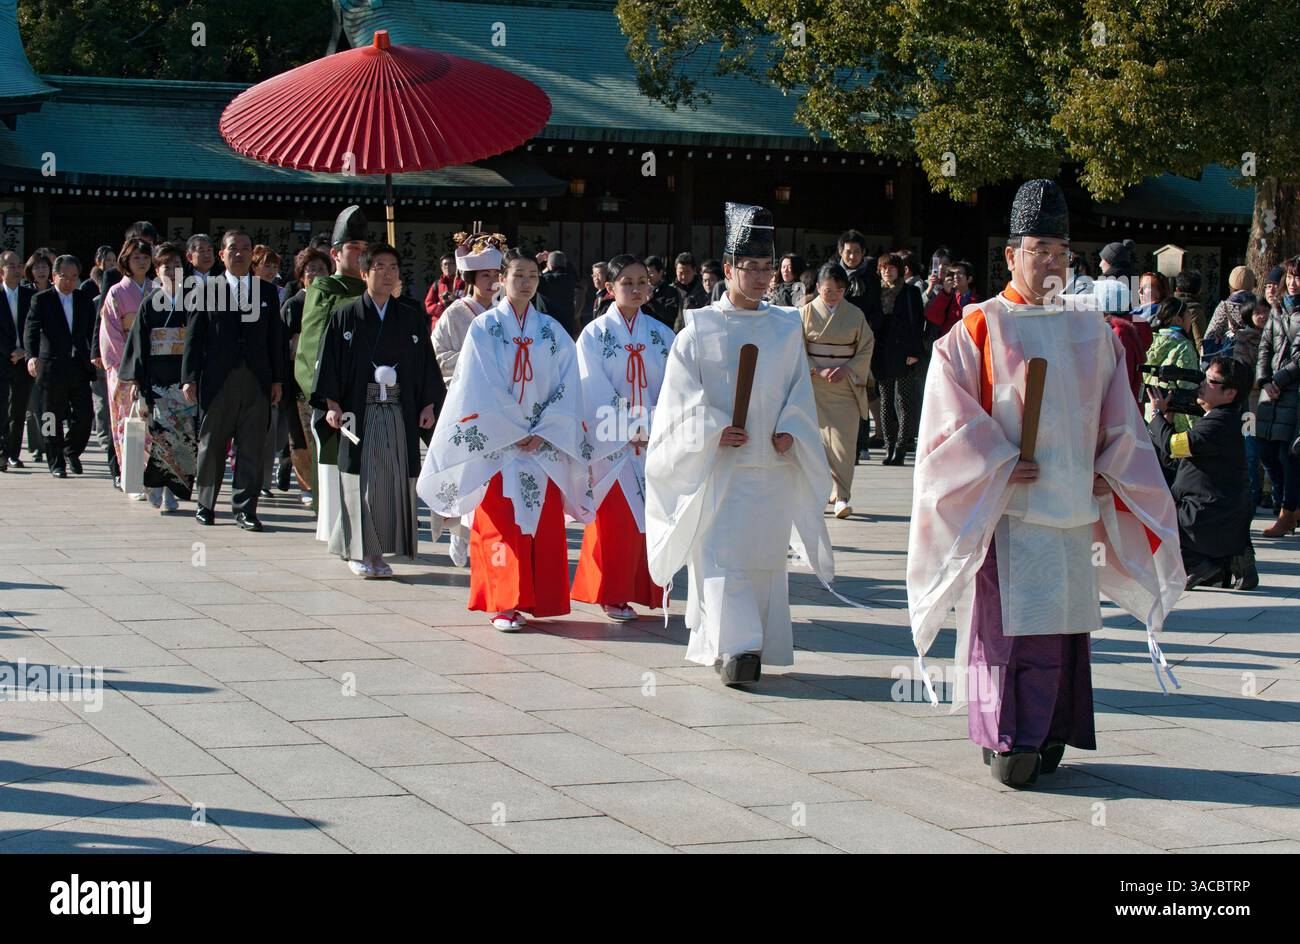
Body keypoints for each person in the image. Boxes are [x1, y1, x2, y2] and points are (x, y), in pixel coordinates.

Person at [907, 179, 1183, 788]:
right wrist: (999, 458)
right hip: (1009, 509)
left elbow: (1121, 420)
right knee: (1008, 626)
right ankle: (1005, 732)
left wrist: (1112, 470)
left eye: (1061, 251)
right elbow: (945, 421)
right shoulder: (978, 329)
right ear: (1011, 255)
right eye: (1040, 250)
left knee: (1063, 625)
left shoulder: (1092, 332)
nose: (1052, 263)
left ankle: (1052, 728)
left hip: (1074, 507)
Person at [646, 202, 834, 686]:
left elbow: (799, 388)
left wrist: (793, 426)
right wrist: (711, 430)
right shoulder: (700, 328)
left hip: (771, 463)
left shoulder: (786, 325)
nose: (759, 277)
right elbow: (677, 403)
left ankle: (751, 643)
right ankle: (738, 649)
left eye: (767, 268)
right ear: (728, 268)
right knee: (724, 557)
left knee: (764, 559)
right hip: (722, 466)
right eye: (749, 268)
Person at [417, 248, 591, 632]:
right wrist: (515, 429)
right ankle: (503, 602)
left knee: (540, 525)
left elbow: (568, 385)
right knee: (500, 523)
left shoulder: (552, 331)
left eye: (532, 276)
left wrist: (543, 429)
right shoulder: (485, 328)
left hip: (541, 442)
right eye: (518, 275)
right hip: (499, 444)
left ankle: (537, 597)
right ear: (502, 279)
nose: (526, 282)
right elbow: (478, 384)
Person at [313, 243, 443, 578]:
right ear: (364, 272)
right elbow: (329, 362)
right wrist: (331, 403)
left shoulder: (410, 315)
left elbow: (425, 362)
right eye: (380, 267)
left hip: (399, 407)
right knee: (359, 479)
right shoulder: (345, 313)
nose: (388, 274)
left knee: (393, 480)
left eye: (394, 268)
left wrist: (428, 402)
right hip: (359, 407)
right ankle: (360, 552)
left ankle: (379, 550)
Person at [571, 254, 673, 620]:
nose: (635, 288)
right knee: (615, 522)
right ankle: (612, 593)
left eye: (642, 281)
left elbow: (677, 389)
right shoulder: (594, 335)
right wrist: (628, 427)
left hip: (653, 441)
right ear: (610, 288)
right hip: (611, 445)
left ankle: (647, 590)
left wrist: (654, 426)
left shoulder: (663, 336)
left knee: (649, 522)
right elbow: (590, 387)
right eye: (626, 282)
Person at [182, 229, 287, 531]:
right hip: (218, 378)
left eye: (244, 248)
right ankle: (205, 504)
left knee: (251, 445)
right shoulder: (206, 289)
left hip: (257, 378)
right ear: (222, 255)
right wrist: (189, 377)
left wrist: (278, 379)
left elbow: (275, 340)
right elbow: (193, 337)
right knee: (212, 443)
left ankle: (246, 508)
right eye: (232, 248)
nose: (239, 253)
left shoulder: (266, 291)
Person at [1149, 357, 1257, 590]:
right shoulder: (1226, 419)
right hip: (1217, 511)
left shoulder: (1218, 423)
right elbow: (1179, 454)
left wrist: (1157, 415)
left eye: (1211, 381)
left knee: (1149, 513)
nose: (1201, 385)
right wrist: (1167, 418)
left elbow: (1173, 446)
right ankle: (1228, 561)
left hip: (1206, 515)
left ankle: (1198, 565)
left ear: (1230, 394)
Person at [430, 232, 505, 566]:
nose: (491, 281)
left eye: (494, 274)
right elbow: (437, 353)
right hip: (466, 404)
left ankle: (487, 535)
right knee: (463, 473)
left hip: (501, 409)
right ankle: (460, 533)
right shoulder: (456, 313)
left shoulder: (508, 313)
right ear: (472, 279)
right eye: (485, 275)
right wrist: (471, 360)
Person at [296, 206, 368, 533]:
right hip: (337, 393)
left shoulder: (378, 290)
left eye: (366, 250)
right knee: (334, 460)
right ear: (336, 254)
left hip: (372, 391)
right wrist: (325, 394)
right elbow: (312, 343)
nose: (361, 255)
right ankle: (335, 527)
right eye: (354, 249)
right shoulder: (325, 289)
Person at [119, 243, 198, 513]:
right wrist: (136, 382)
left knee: (184, 437)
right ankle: (157, 485)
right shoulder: (149, 303)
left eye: (177, 266)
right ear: (157, 270)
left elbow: (200, 342)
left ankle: (171, 490)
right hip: (158, 380)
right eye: (166, 266)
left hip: (186, 378)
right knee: (163, 434)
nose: (172, 271)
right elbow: (138, 344)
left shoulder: (193, 301)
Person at [801, 261, 874, 518]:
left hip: (845, 385)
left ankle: (842, 496)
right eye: (827, 289)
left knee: (844, 443)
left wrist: (848, 368)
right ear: (818, 287)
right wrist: (817, 369)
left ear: (845, 289)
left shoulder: (855, 315)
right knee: (817, 444)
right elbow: (797, 348)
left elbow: (866, 347)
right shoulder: (806, 313)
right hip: (814, 386)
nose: (832, 295)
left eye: (838, 290)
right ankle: (824, 491)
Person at [24, 255, 96, 478]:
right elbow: (31, 330)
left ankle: (71, 450)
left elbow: (93, 333)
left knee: (85, 415)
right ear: (55, 276)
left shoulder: (84, 299)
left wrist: (96, 356)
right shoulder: (42, 300)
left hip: (78, 366)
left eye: (75, 277)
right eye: (65, 277)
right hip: (51, 367)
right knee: (50, 418)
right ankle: (55, 462)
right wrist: (31, 356)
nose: (70, 281)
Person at [101, 237, 154, 498]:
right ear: (126, 261)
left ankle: (150, 477)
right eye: (136, 257)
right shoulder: (116, 293)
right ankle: (131, 479)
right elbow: (111, 334)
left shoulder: (157, 290)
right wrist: (131, 369)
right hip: (125, 369)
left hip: (153, 368)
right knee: (127, 423)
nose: (142, 262)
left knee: (152, 425)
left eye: (146, 257)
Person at [278, 248, 331, 501]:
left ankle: (325, 482)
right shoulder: (294, 305)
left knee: (324, 432)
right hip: (297, 379)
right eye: (311, 270)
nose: (317, 275)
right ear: (301, 275)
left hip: (326, 380)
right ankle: (306, 485)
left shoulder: (333, 302)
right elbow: (283, 346)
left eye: (322, 269)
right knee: (300, 435)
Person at [1255, 256, 1300, 537]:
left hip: (1294, 391)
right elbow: (1265, 346)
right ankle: (1289, 505)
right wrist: (1263, 379)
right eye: (1291, 277)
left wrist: (1278, 381)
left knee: (1290, 454)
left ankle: (1287, 510)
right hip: (1271, 391)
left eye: (1299, 278)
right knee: (1265, 451)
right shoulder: (1277, 308)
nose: (1294, 284)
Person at [873, 252, 925, 465]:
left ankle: (902, 448)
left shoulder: (910, 291)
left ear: (900, 270)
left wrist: (914, 351)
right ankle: (889, 446)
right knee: (885, 401)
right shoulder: (876, 292)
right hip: (881, 352)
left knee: (903, 401)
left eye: (892, 267)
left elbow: (917, 322)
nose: (887, 271)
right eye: (884, 268)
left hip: (904, 352)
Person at [1140, 296, 1199, 435]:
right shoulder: (1183, 347)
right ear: (1178, 320)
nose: (1190, 321)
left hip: (1149, 415)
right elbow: (1189, 389)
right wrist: (1196, 428)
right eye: (1188, 316)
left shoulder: (1149, 342)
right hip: (1175, 422)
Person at [1, 251, 35, 470]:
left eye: (18, 265)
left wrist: (24, 351)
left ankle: (13, 452)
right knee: (1, 407)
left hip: (23, 360)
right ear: (1, 270)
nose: (15, 270)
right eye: (10, 265)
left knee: (19, 409)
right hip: (2, 359)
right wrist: (9, 351)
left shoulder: (29, 296)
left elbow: (34, 327)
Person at [923, 259, 978, 340]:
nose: (955, 277)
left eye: (960, 273)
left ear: (969, 279)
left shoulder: (979, 301)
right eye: (953, 274)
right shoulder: (947, 295)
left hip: (969, 343)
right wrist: (945, 292)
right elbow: (933, 317)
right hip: (948, 343)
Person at [537, 250, 577, 337]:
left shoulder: (545, 281)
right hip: (567, 326)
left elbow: (531, 275)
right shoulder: (571, 278)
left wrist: (536, 260)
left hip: (547, 327)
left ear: (550, 265)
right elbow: (568, 267)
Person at [423, 254, 464, 330]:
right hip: (440, 324)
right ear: (441, 268)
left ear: (457, 266)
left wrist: (457, 300)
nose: (448, 267)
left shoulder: (463, 283)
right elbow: (428, 304)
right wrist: (442, 308)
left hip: (459, 324)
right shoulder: (437, 284)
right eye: (445, 264)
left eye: (452, 264)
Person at [1173, 269, 1206, 352]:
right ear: (1199, 290)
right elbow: (1199, 341)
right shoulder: (1195, 309)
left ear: (1177, 289)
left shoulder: (1167, 305)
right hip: (1186, 356)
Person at [644, 255, 681, 329]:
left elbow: (671, 315)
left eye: (651, 272)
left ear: (660, 272)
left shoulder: (670, 291)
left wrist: (652, 301)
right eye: (646, 273)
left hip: (663, 332)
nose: (648, 276)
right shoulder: (641, 290)